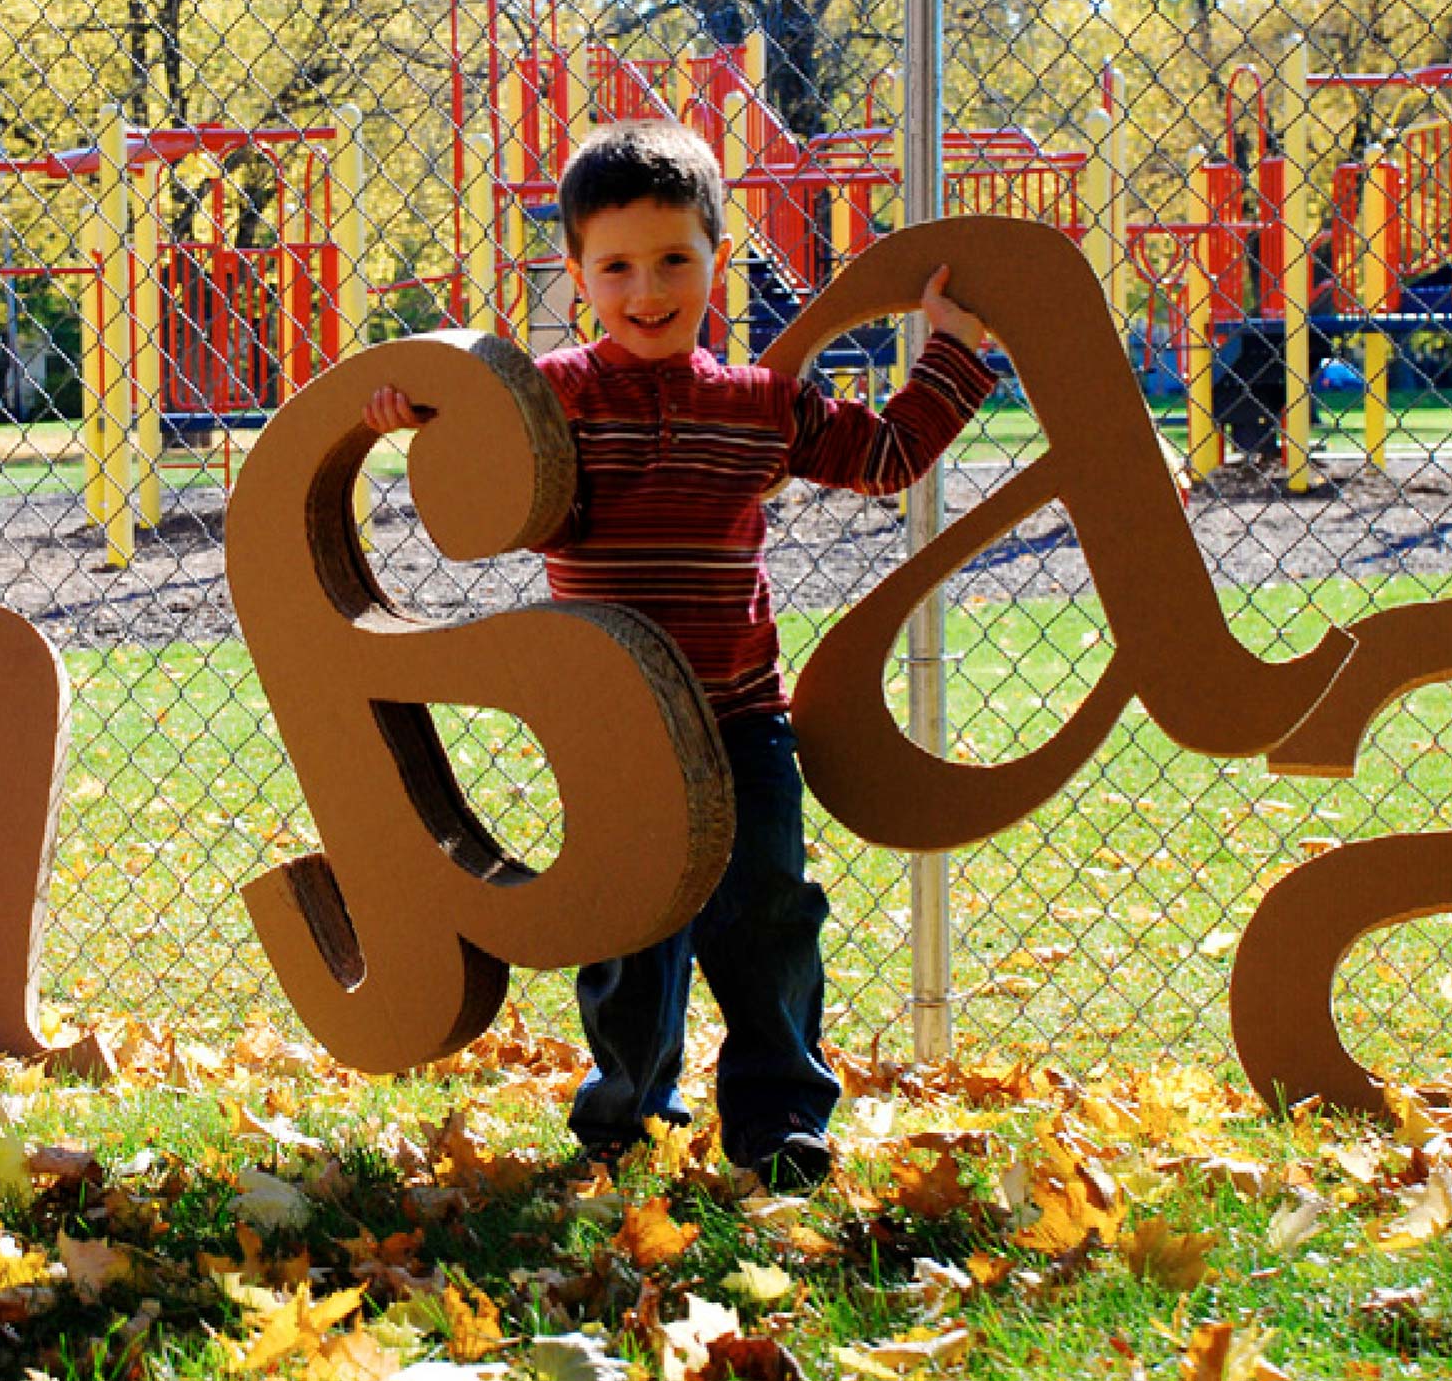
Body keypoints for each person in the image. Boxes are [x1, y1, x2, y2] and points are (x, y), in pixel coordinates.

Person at [363, 118, 994, 1191]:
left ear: (716, 258)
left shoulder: (757, 407)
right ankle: (623, 1123)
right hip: (608, 727)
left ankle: (779, 1122)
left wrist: (951, 350)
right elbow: (466, 453)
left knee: (767, 921)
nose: (645, 289)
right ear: (574, 278)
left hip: (742, 722)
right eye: (614, 267)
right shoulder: (547, 396)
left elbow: (886, 456)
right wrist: (407, 411)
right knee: (627, 938)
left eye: (672, 261)